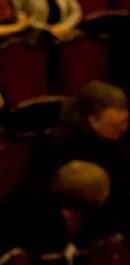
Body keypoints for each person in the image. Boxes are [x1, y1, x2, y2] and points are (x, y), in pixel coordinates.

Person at [53, 82, 130, 226]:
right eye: (115, 125)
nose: (124, 129)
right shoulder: (69, 144)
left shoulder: (116, 134)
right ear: (92, 120)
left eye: (126, 121)